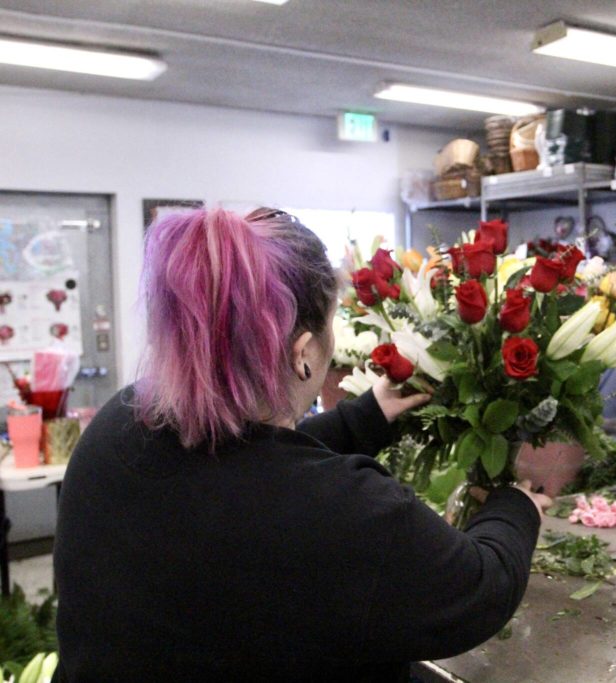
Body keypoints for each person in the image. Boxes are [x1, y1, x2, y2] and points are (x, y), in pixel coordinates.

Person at [54, 208, 550, 682]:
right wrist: (515, 507)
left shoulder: (117, 428)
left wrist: (365, 417)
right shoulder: (350, 514)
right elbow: (481, 589)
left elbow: (246, 477)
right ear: (305, 351)